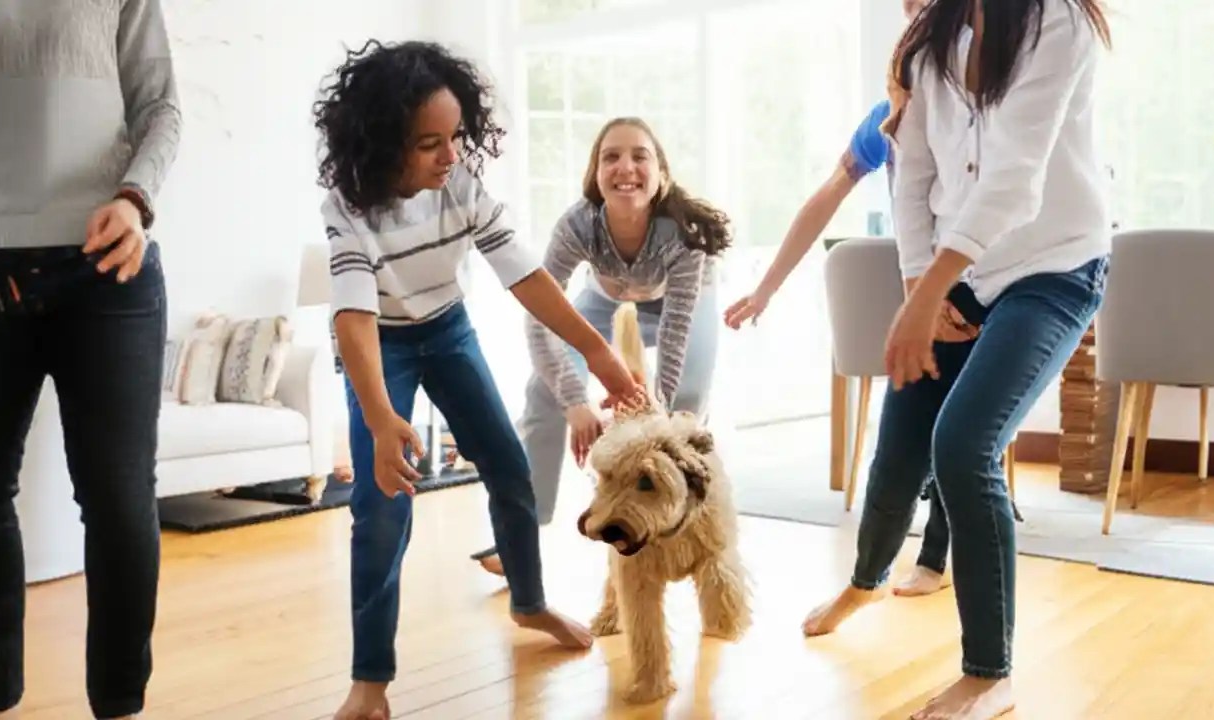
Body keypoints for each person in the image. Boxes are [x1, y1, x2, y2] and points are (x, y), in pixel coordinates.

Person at [310, 40, 645, 720]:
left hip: (448, 327)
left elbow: (524, 275)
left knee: (509, 468)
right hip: (382, 345)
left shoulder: (459, 186)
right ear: (383, 144)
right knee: (381, 510)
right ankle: (369, 682)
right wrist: (379, 422)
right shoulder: (349, 204)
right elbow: (353, 317)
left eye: (456, 136)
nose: (451, 155)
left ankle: (528, 602)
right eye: (429, 142)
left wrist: (599, 355)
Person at [799, 1, 1112, 718]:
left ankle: (987, 671)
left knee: (964, 444)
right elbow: (912, 180)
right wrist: (919, 284)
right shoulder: (925, 45)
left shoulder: (1056, 21)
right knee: (901, 442)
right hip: (959, 272)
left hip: (1056, 267)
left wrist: (930, 288)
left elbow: (1017, 178)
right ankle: (866, 579)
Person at [724, 0, 965, 599]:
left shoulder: (978, 112)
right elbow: (825, 198)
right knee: (914, 433)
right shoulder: (888, 119)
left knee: (965, 429)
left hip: (984, 288)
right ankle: (883, 568)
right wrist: (766, 287)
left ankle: (936, 558)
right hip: (920, 295)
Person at [0, 1, 180, 718]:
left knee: (117, 498)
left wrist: (136, 198)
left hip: (110, 262)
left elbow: (161, 105)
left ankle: (120, 704)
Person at [472, 116, 730, 577]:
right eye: (610, 156)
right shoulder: (578, 224)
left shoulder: (684, 232)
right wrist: (574, 401)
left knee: (684, 409)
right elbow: (539, 316)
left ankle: (681, 525)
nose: (624, 167)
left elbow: (674, 332)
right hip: (605, 301)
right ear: (594, 174)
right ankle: (523, 533)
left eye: (639, 156)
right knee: (543, 393)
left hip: (680, 308)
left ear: (661, 176)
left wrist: (654, 408)